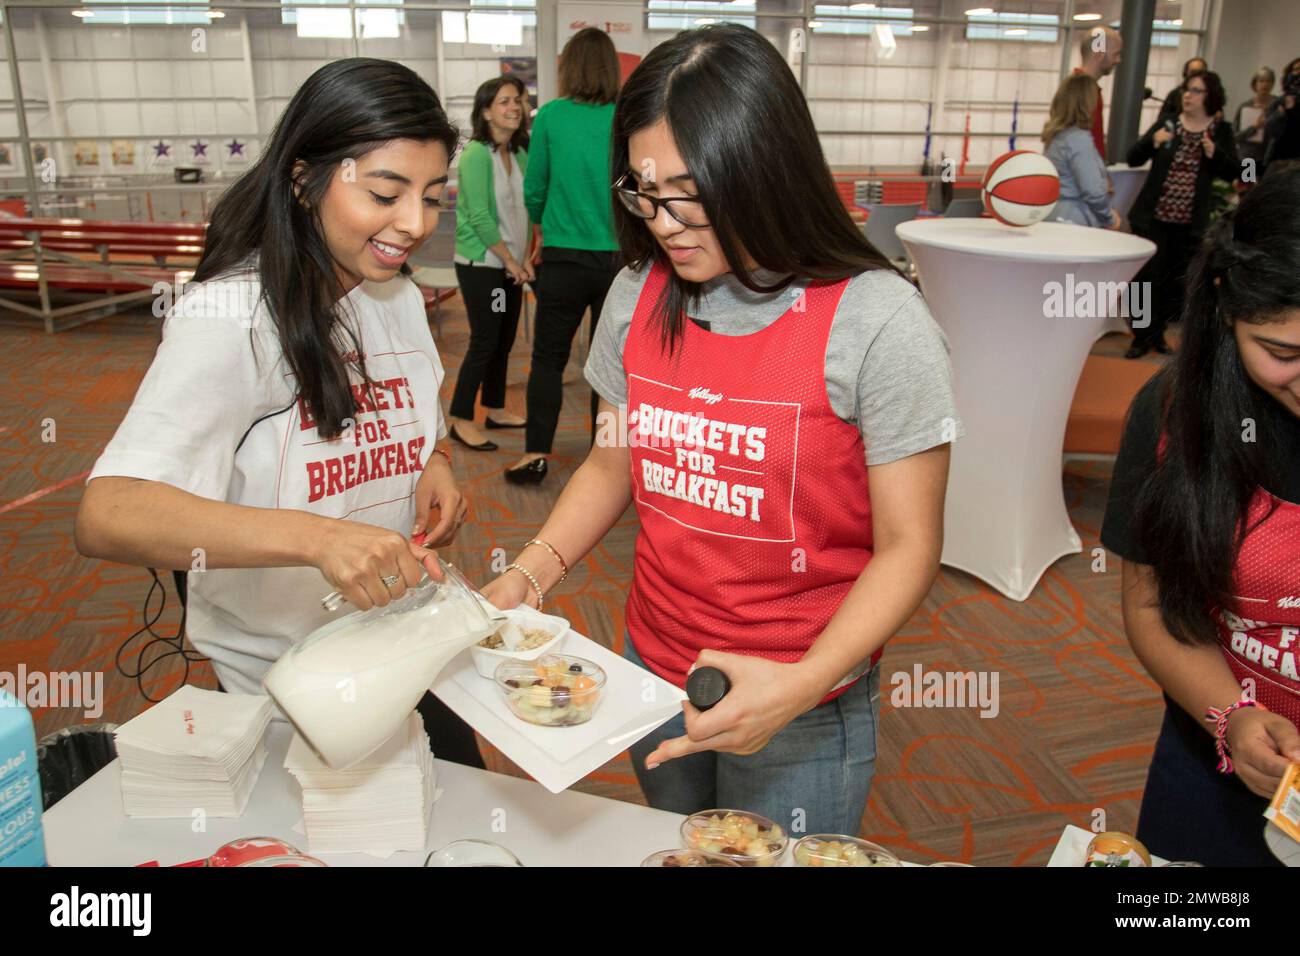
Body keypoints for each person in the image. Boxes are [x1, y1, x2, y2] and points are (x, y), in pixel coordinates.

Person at [481, 24, 960, 835]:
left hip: (803, 693)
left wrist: (806, 683)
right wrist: (528, 575)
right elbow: (609, 464)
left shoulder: (879, 321)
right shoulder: (638, 293)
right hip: (655, 666)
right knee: (677, 845)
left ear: (764, 169)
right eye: (642, 190)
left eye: (688, 191)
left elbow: (910, 544)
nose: (662, 221)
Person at [73, 59, 484, 768]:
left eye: (432, 196)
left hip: (399, 640)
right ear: (304, 179)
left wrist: (435, 460)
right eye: (385, 193)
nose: (415, 223)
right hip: (289, 677)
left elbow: (420, 405)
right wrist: (318, 540)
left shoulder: (396, 296)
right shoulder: (228, 319)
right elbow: (108, 514)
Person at [1100, 166, 1300, 867]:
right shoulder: (1175, 414)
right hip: (1216, 762)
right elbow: (1153, 604)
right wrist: (1232, 717)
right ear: (1225, 307)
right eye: (1283, 354)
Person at [509, 27, 623, 485]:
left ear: (569, 68)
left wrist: (539, 225)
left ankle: (536, 453)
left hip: (562, 258)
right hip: (620, 263)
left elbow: (534, 186)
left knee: (549, 360)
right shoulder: (626, 117)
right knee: (609, 369)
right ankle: (605, 460)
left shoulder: (552, 116)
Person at [1125, 70, 1239, 359]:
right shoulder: (1168, 123)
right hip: (1152, 218)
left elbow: (1239, 172)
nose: (1188, 95)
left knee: (1171, 282)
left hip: (1189, 224)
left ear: (1210, 97)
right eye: (1187, 89)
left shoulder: (1220, 131)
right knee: (1144, 281)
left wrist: (1217, 154)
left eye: (1196, 90)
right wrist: (1152, 141)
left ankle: (1159, 333)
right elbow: (1132, 157)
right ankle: (1140, 336)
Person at [448, 75, 533, 452]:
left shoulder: (518, 154)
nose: (514, 106)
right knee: (485, 339)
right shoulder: (476, 155)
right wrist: (511, 261)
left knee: (503, 339)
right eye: (504, 101)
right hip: (482, 265)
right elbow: (481, 217)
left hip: (509, 265)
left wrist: (528, 254)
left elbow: (526, 210)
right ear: (486, 111)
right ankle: (461, 419)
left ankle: (495, 408)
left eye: (518, 100)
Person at [1044, 73, 1122, 229]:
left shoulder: (1057, 137)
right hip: (1074, 220)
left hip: (1053, 215)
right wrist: (1109, 218)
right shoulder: (1078, 139)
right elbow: (1092, 191)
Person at [1074, 25, 1123, 159]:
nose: (1118, 60)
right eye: (1116, 54)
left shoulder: (1089, 90)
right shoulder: (1079, 92)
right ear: (1099, 54)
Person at [1233, 66, 1277, 172]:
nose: (1265, 85)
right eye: (1261, 81)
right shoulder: (1245, 106)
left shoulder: (1278, 105)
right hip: (1248, 156)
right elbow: (1235, 136)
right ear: (1255, 84)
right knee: (1247, 187)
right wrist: (1254, 127)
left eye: (1268, 81)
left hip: (1271, 158)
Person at [1263, 57, 1300, 169]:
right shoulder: (1279, 101)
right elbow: (1269, 130)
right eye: (1296, 69)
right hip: (1278, 158)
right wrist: (1280, 114)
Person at [1159, 56, 1210, 122]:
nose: (1196, 75)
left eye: (1200, 72)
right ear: (1185, 74)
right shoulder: (1175, 94)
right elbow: (1162, 120)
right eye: (1193, 72)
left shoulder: (1211, 95)